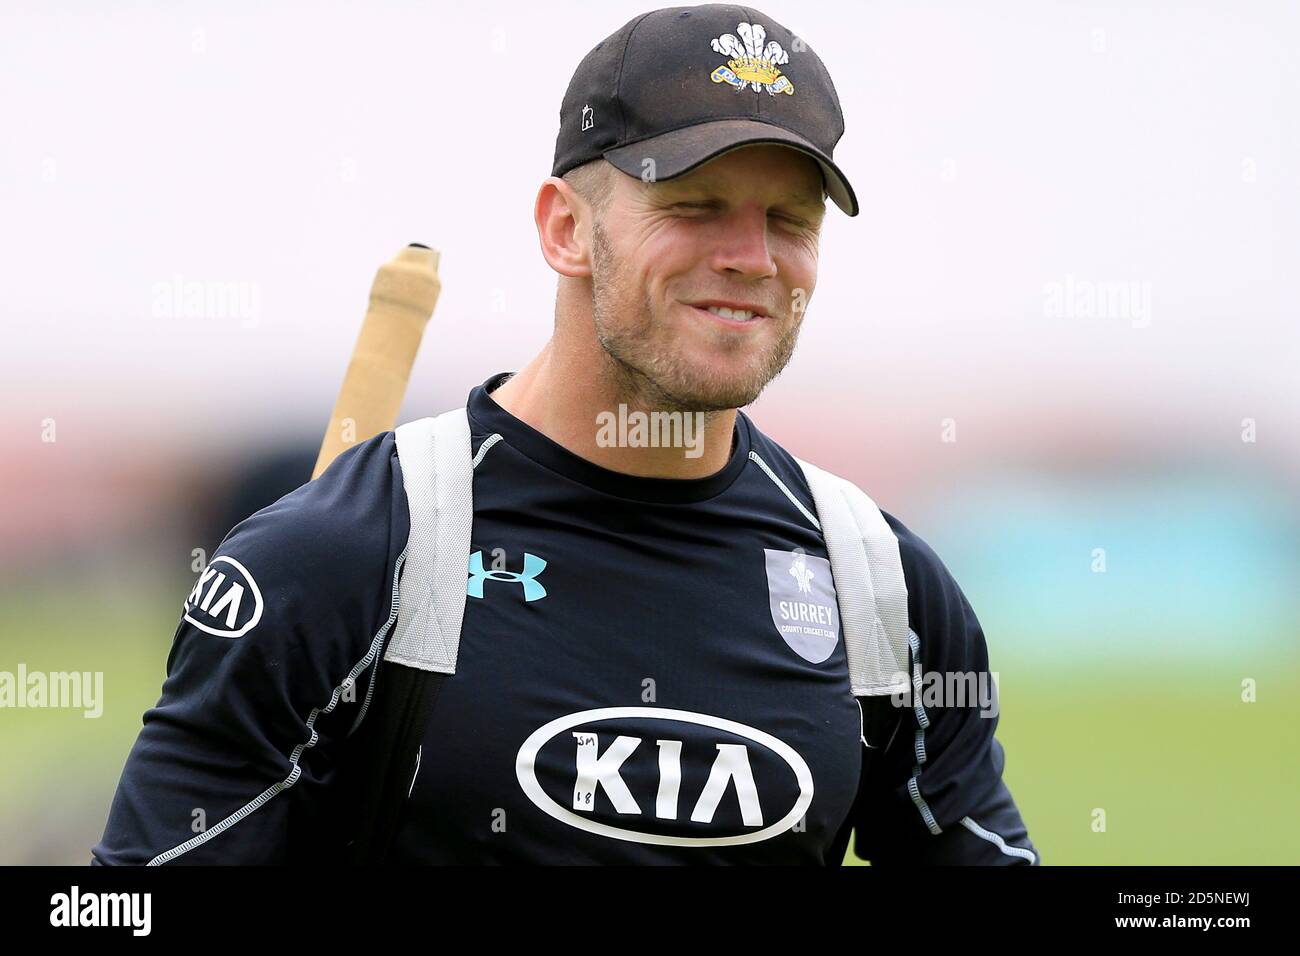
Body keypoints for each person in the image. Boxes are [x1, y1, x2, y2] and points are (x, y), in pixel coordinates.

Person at [92, 3, 1037, 865]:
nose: (752, 258)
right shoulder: (341, 558)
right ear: (565, 229)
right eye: (696, 206)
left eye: (789, 220)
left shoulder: (884, 590)